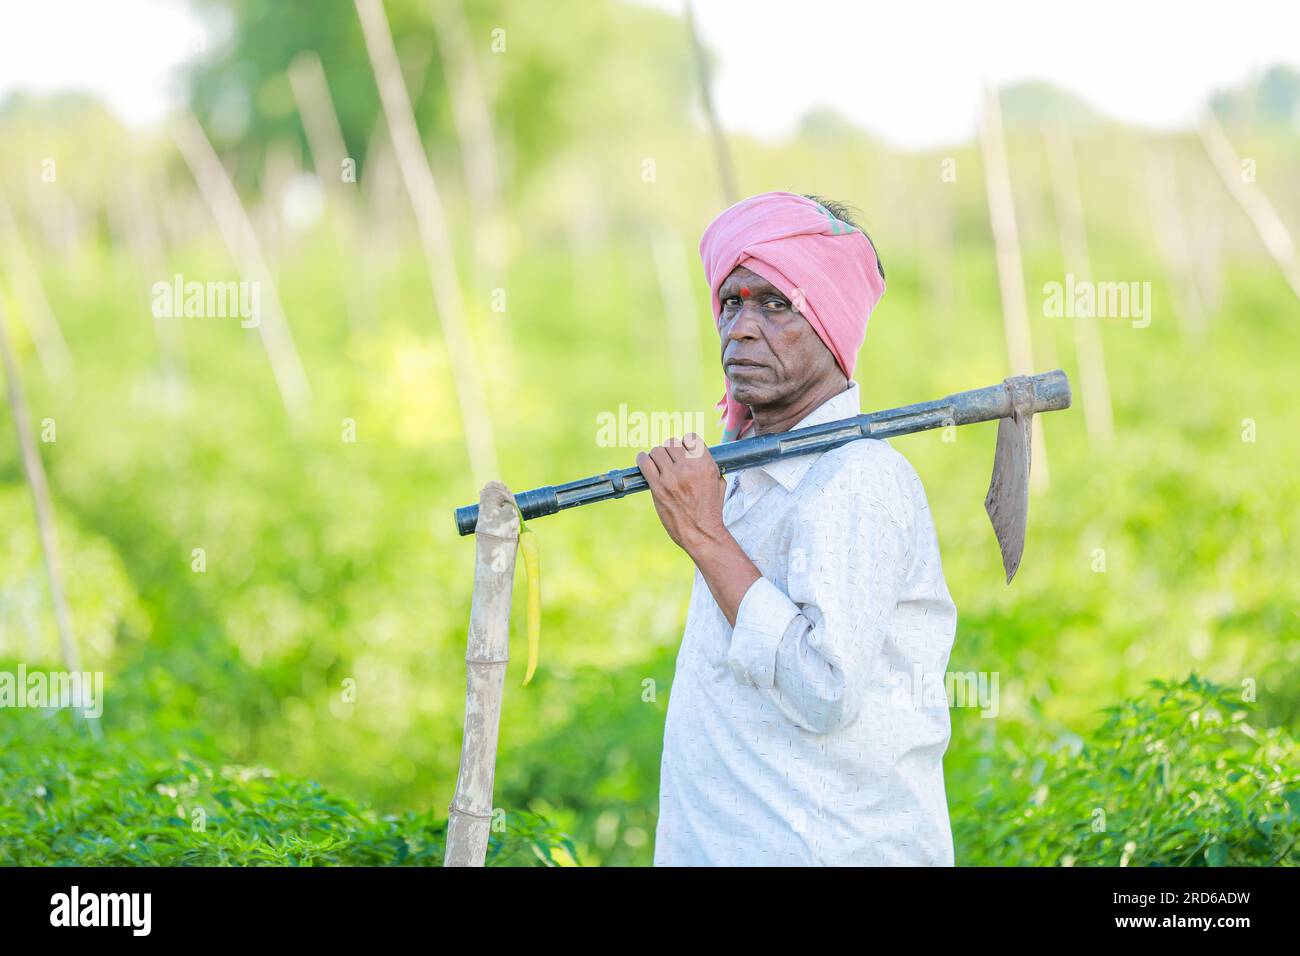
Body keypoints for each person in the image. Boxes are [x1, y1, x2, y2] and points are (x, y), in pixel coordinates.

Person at [637, 191, 958, 866]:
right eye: (732, 302)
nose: (742, 328)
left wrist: (706, 536)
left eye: (776, 304)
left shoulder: (857, 481)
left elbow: (825, 690)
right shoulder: (747, 474)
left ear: (831, 321)